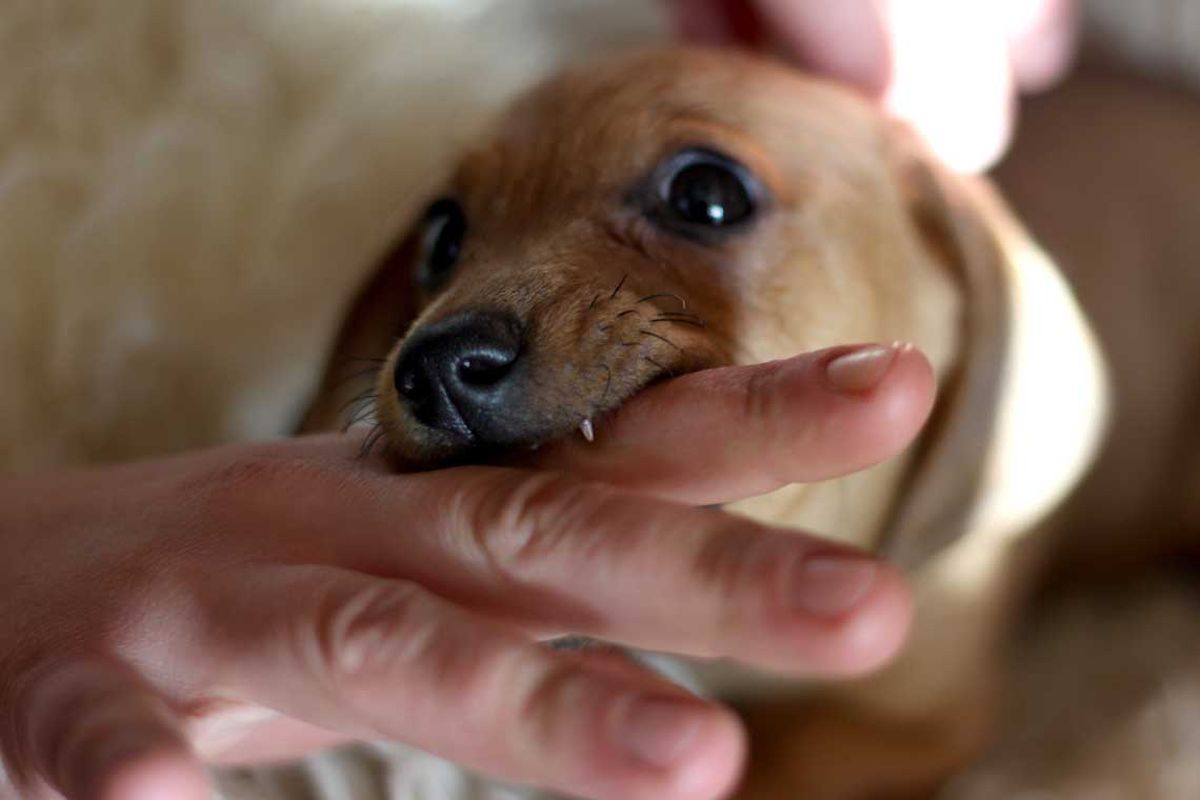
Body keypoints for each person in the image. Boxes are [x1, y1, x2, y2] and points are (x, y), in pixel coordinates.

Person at [0, 2, 1076, 799]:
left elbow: (910, 724)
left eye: (703, 198)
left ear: (953, 262)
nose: (454, 333)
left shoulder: (964, 438)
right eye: (448, 245)